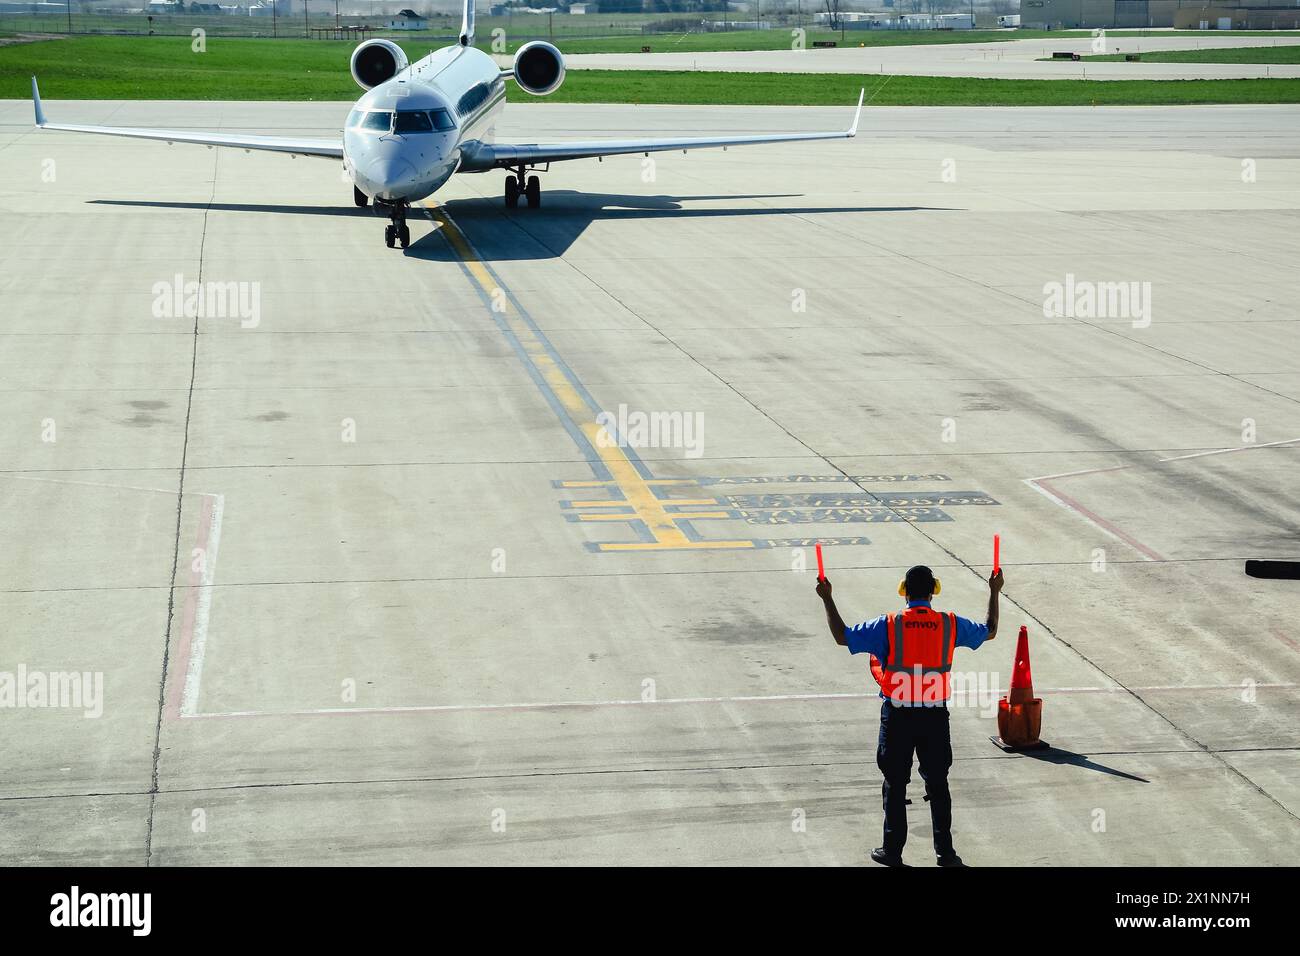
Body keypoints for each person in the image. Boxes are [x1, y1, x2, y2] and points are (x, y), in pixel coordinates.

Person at [816, 564, 1003, 867]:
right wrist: (994, 591)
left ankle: (892, 851)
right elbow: (990, 630)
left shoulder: (889, 624)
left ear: (903, 590)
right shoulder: (949, 623)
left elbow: (842, 636)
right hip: (934, 717)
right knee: (938, 783)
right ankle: (945, 853)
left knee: (894, 782)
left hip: (899, 717)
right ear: (934, 591)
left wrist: (827, 597)